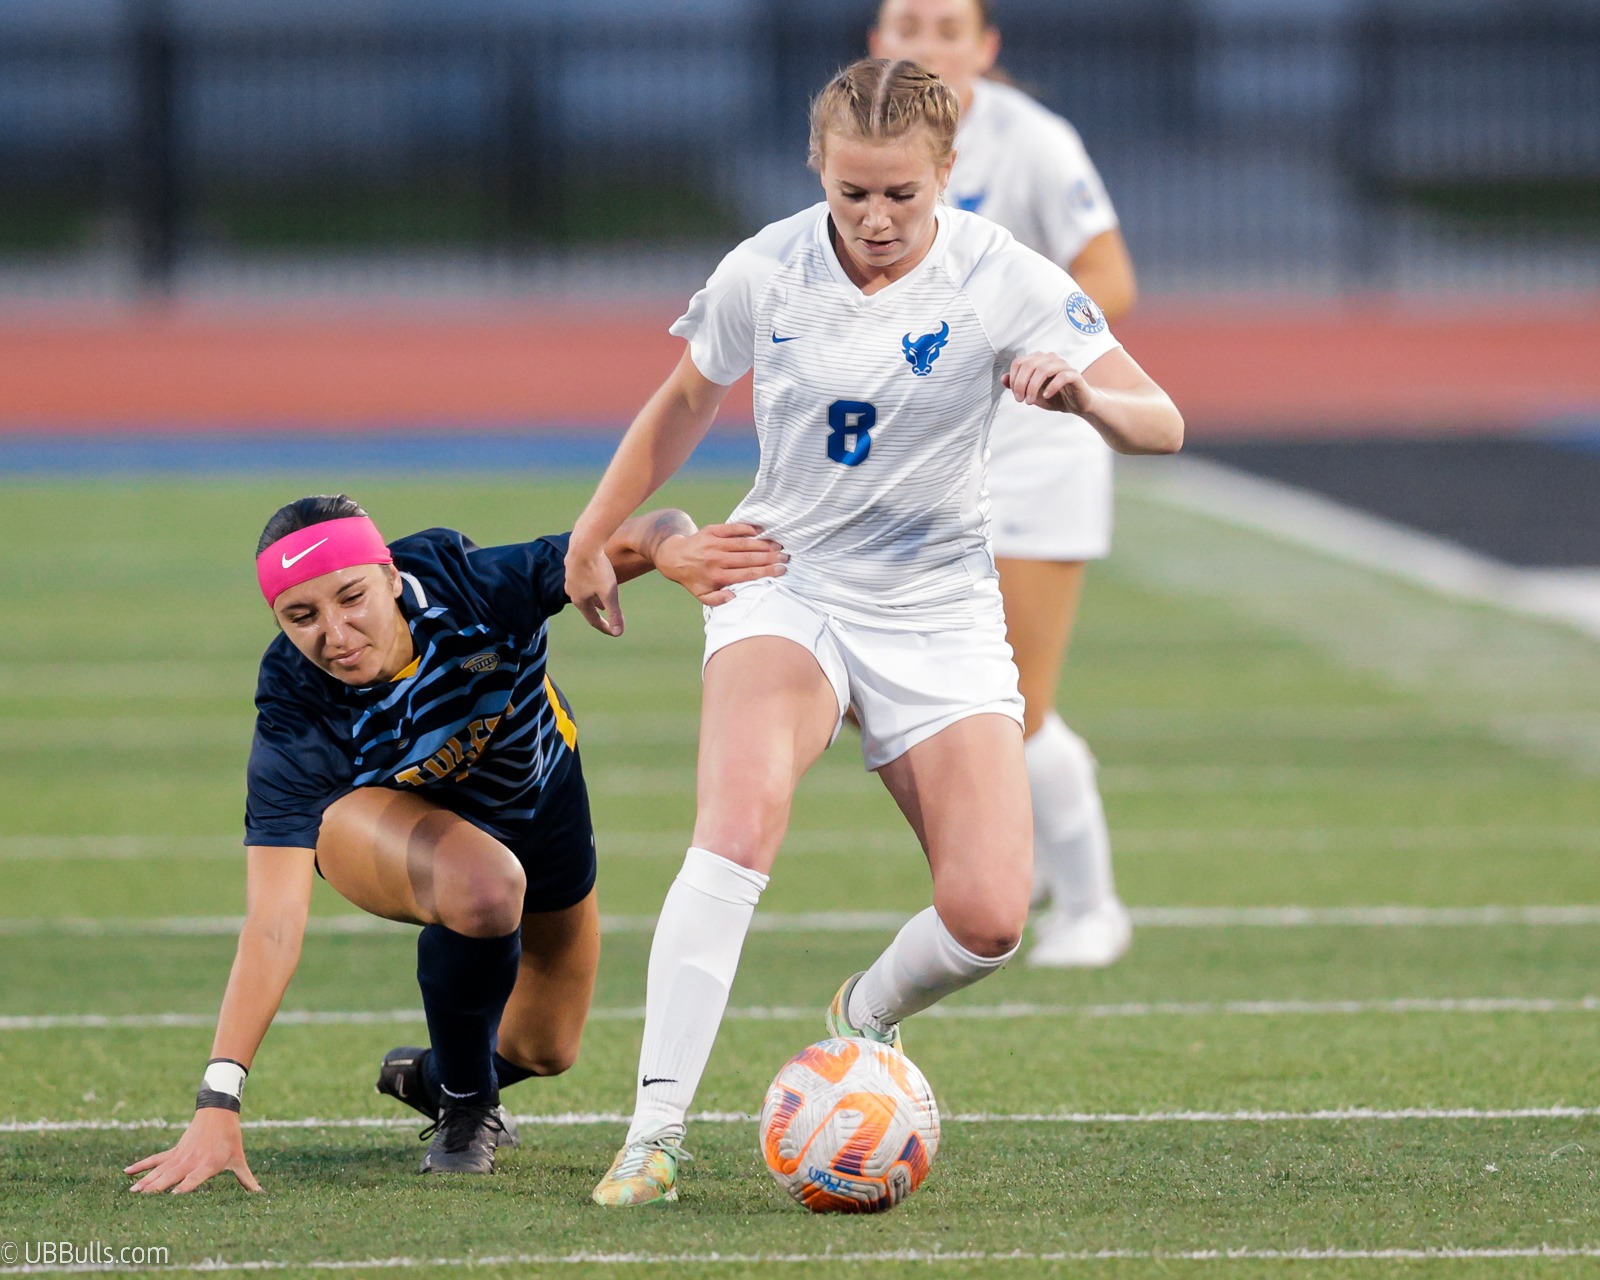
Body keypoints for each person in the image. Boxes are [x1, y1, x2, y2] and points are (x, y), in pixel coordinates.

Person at [564, 57, 1182, 1207]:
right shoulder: (767, 267)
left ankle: (862, 1014)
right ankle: (651, 1133)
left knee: (992, 912)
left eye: (901, 192)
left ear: (947, 171)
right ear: (821, 173)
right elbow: (684, 400)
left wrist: (1086, 398)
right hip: (785, 580)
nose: (876, 218)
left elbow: (1164, 419)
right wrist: (592, 535)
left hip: (940, 605)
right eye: (853, 192)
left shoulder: (1003, 277)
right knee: (737, 822)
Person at [124, 494, 785, 1193]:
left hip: (544, 806)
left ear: (387, 574)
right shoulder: (294, 697)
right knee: (485, 887)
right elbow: (273, 921)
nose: (335, 632)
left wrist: (674, 549)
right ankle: (469, 1110)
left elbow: (643, 533)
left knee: (547, 1047)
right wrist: (218, 1099)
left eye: (351, 597)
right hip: (386, 832)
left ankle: (435, 1076)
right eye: (302, 616)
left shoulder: (475, 586)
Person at [871, 0, 1141, 968]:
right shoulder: (862, 142)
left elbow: (1108, 276)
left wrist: (1027, 331)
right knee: (907, 679)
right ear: (877, 44)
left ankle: (1093, 903)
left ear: (983, 49)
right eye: (907, 24)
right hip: (934, 450)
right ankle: (1015, 858)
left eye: (947, 27)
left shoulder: (1032, 142)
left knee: (1015, 698)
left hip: (1037, 444)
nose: (925, 43)